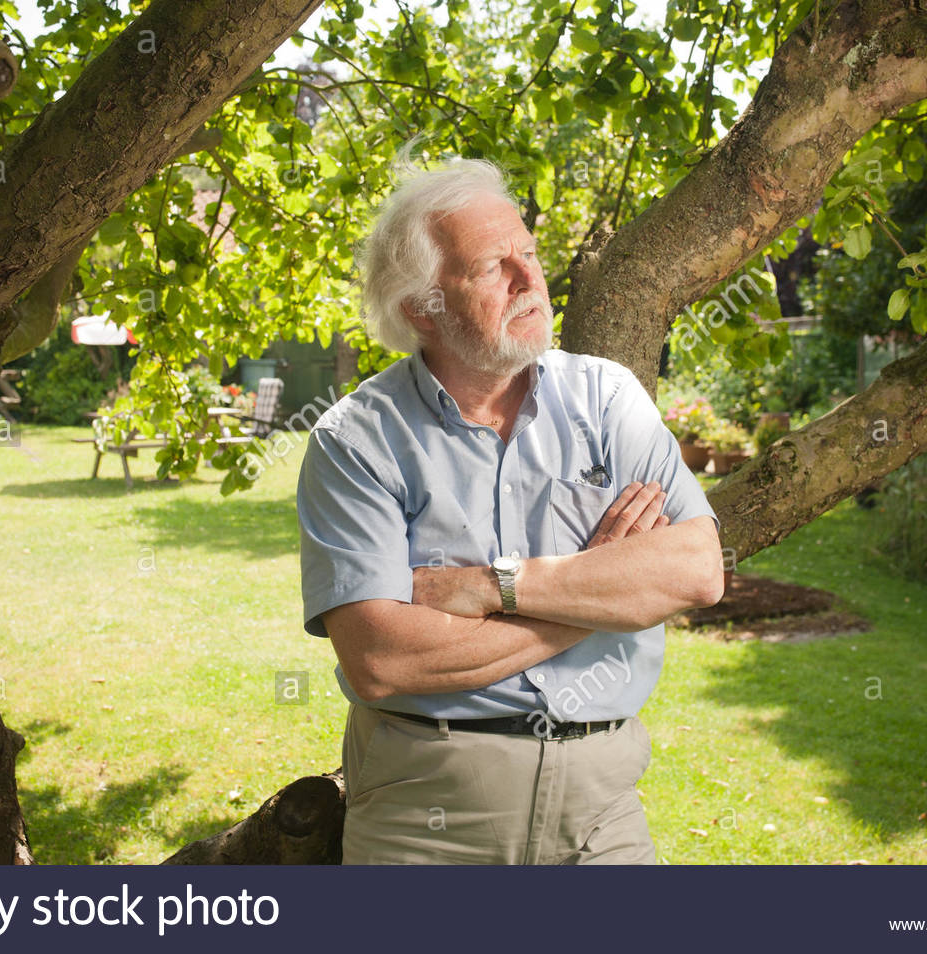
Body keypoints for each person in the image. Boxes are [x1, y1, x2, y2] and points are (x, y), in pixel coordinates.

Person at [296, 151, 724, 864]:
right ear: (421, 309)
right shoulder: (356, 440)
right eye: (495, 268)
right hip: (422, 821)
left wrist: (493, 588)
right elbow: (380, 662)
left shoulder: (608, 399)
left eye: (529, 253)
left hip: (602, 816)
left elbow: (698, 571)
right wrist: (602, 588)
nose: (533, 281)